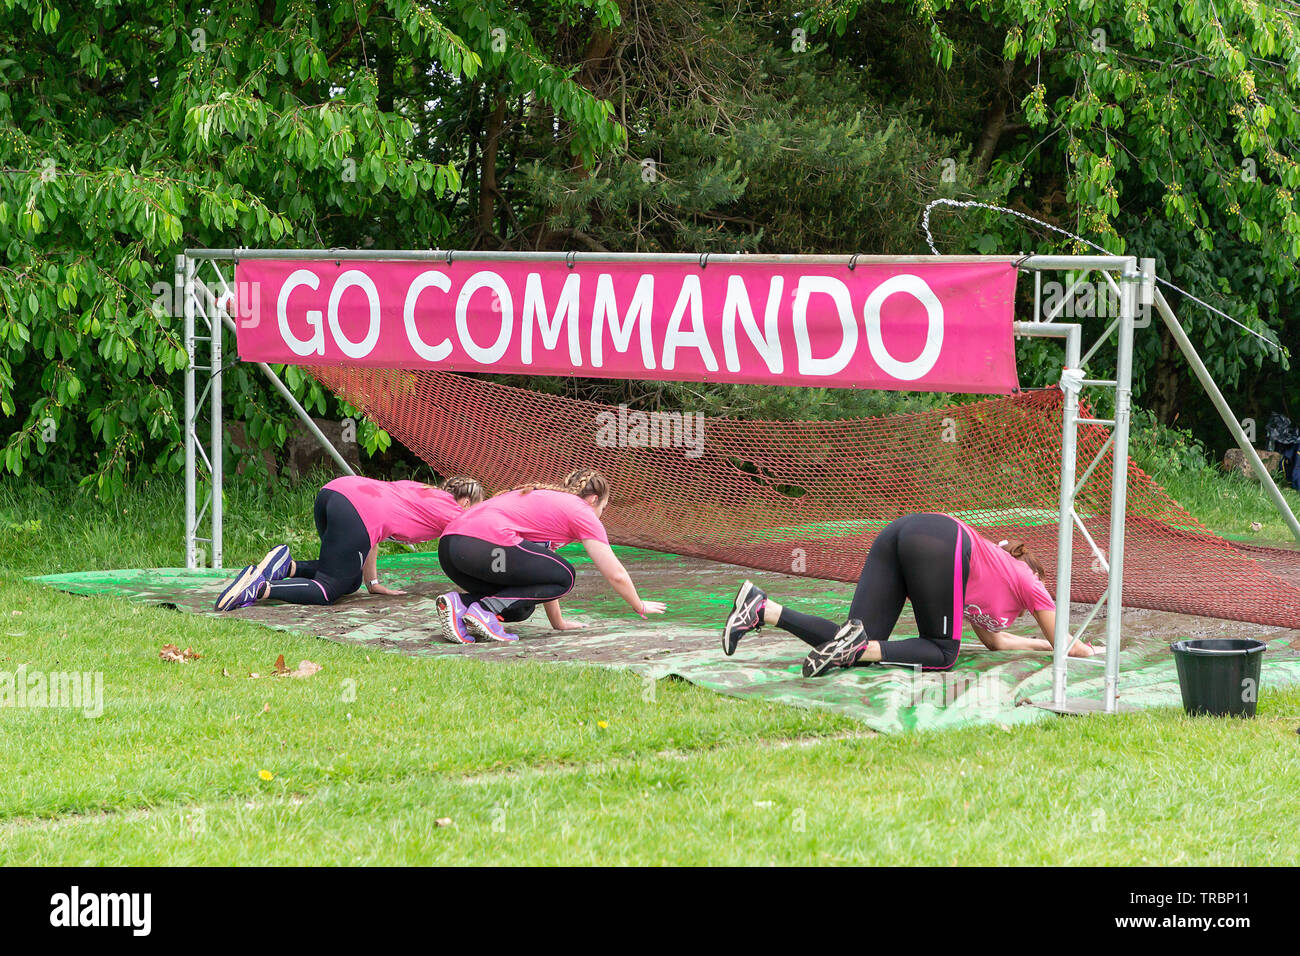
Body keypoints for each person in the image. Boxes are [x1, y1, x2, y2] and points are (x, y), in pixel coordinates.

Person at [720, 512, 1099, 678]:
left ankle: (763, 609)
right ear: (1033, 570)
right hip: (941, 539)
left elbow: (995, 642)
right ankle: (857, 650)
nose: (1044, 589)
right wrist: (1094, 650)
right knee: (943, 651)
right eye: (1043, 579)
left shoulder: (989, 582)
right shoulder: (1027, 580)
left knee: (858, 637)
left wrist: (1038, 645)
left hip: (903, 532)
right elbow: (1066, 643)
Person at [434, 467, 666, 643]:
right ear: (594, 499)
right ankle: (485, 610)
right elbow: (615, 573)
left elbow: (540, 577)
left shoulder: (549, 505)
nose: (600, 515)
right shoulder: (581, 511)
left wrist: (559, 623)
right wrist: (638, 605)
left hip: (450, 550)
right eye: (602, 509)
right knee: (566, 576)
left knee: (521, 607)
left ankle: (461, 603)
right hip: (484, 547)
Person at [214, 475, 485, 611]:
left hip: (333, 493)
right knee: (328, 589)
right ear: (466, 503)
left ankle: (287, 566)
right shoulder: (455, 513)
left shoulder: (423, 491)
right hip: (355, 510)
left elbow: (375, 532)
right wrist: (475, 588)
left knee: (350, 579)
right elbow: (462, 552)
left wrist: (373, 584)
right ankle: (258, 587)